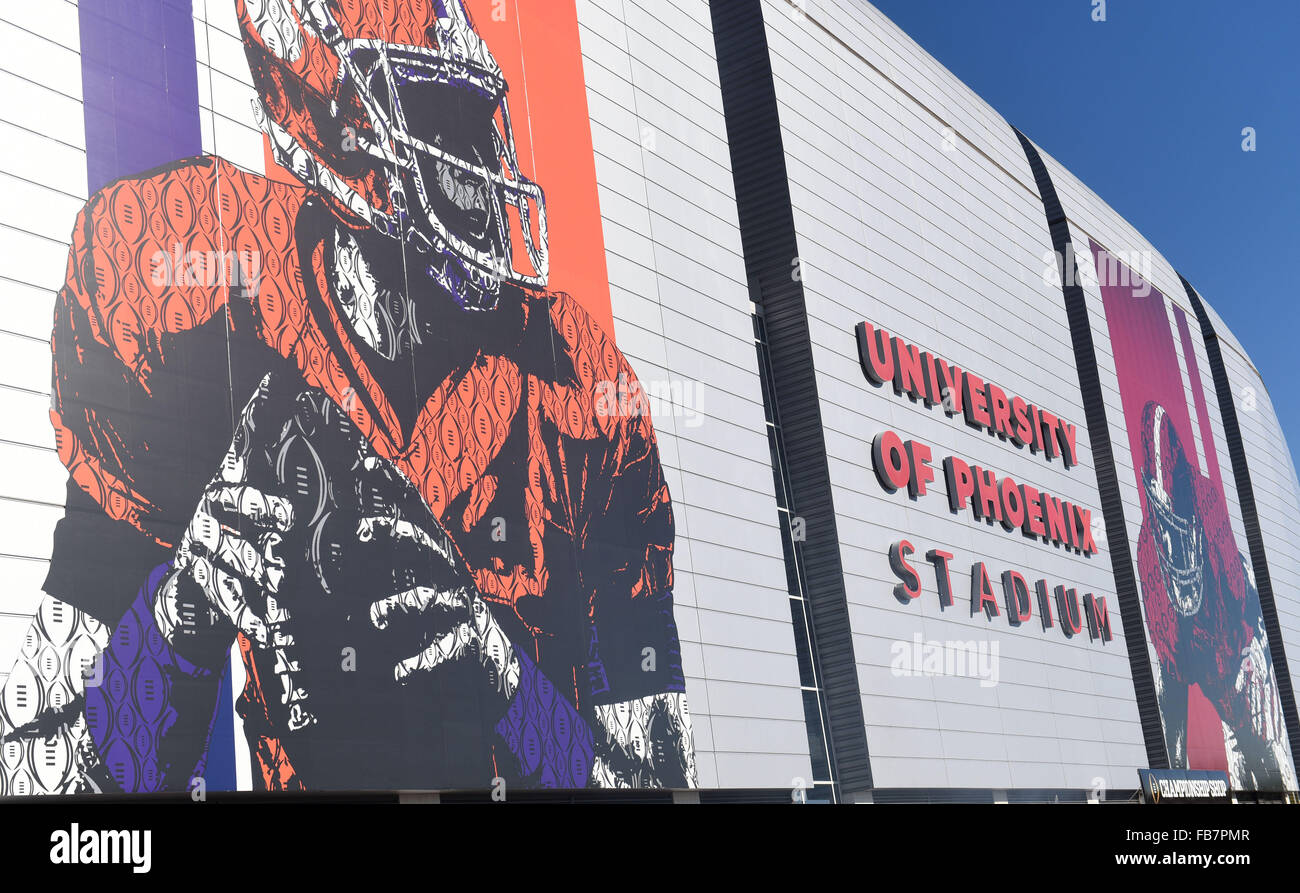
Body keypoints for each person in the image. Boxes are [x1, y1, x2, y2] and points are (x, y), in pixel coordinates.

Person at [0, 0, 696, 795]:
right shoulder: (186, 287)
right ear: (330, 116)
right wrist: (181, 620)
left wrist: (503, 685)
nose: (481, 177)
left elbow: (659, 787)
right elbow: (40, 778)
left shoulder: (576, 382)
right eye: (438, 118)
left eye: (478, 120)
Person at [1137, 400, 1293, 790]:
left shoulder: (1206, 501)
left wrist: (1245, 646)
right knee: (1168, 701)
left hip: (1232, 628)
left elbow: (1236, 586)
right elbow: (1169, 662)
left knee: (1263, 742)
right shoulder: (1146, 550)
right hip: (1192, 645)